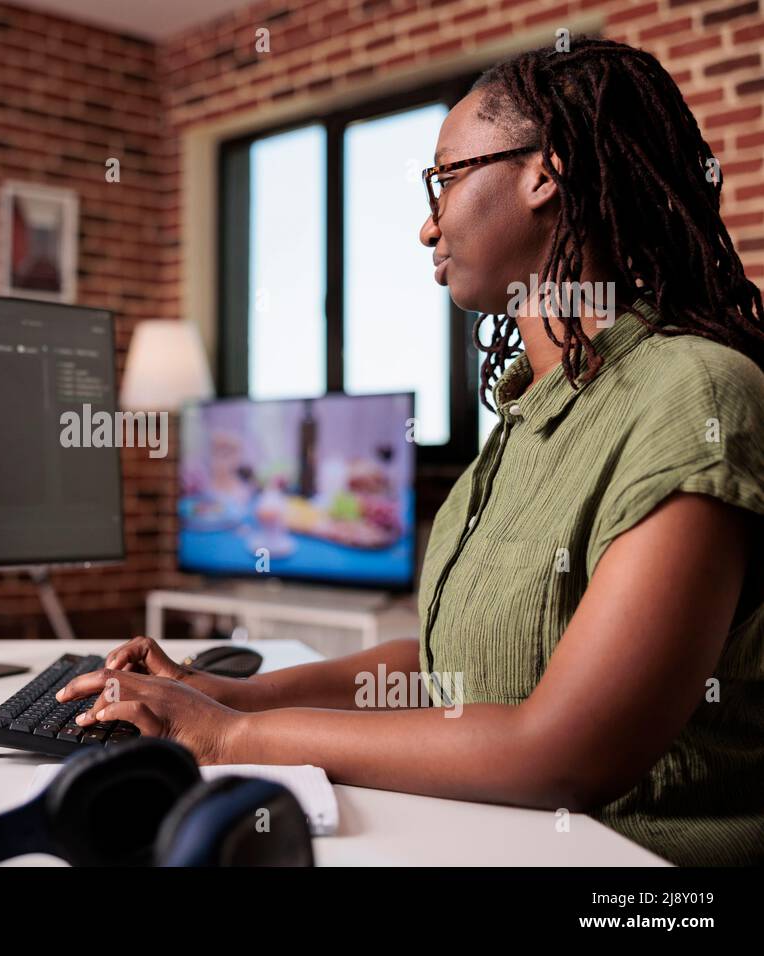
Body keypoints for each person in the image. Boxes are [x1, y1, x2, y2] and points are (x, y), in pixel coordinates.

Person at [58, 38, 764, 866]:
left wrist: (231, 737)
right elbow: (449, 668)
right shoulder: (520, 426)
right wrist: (220, 692)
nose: (429, 222)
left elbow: (563, 751)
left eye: (447, 179)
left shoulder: (694, 395)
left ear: (546, 172)